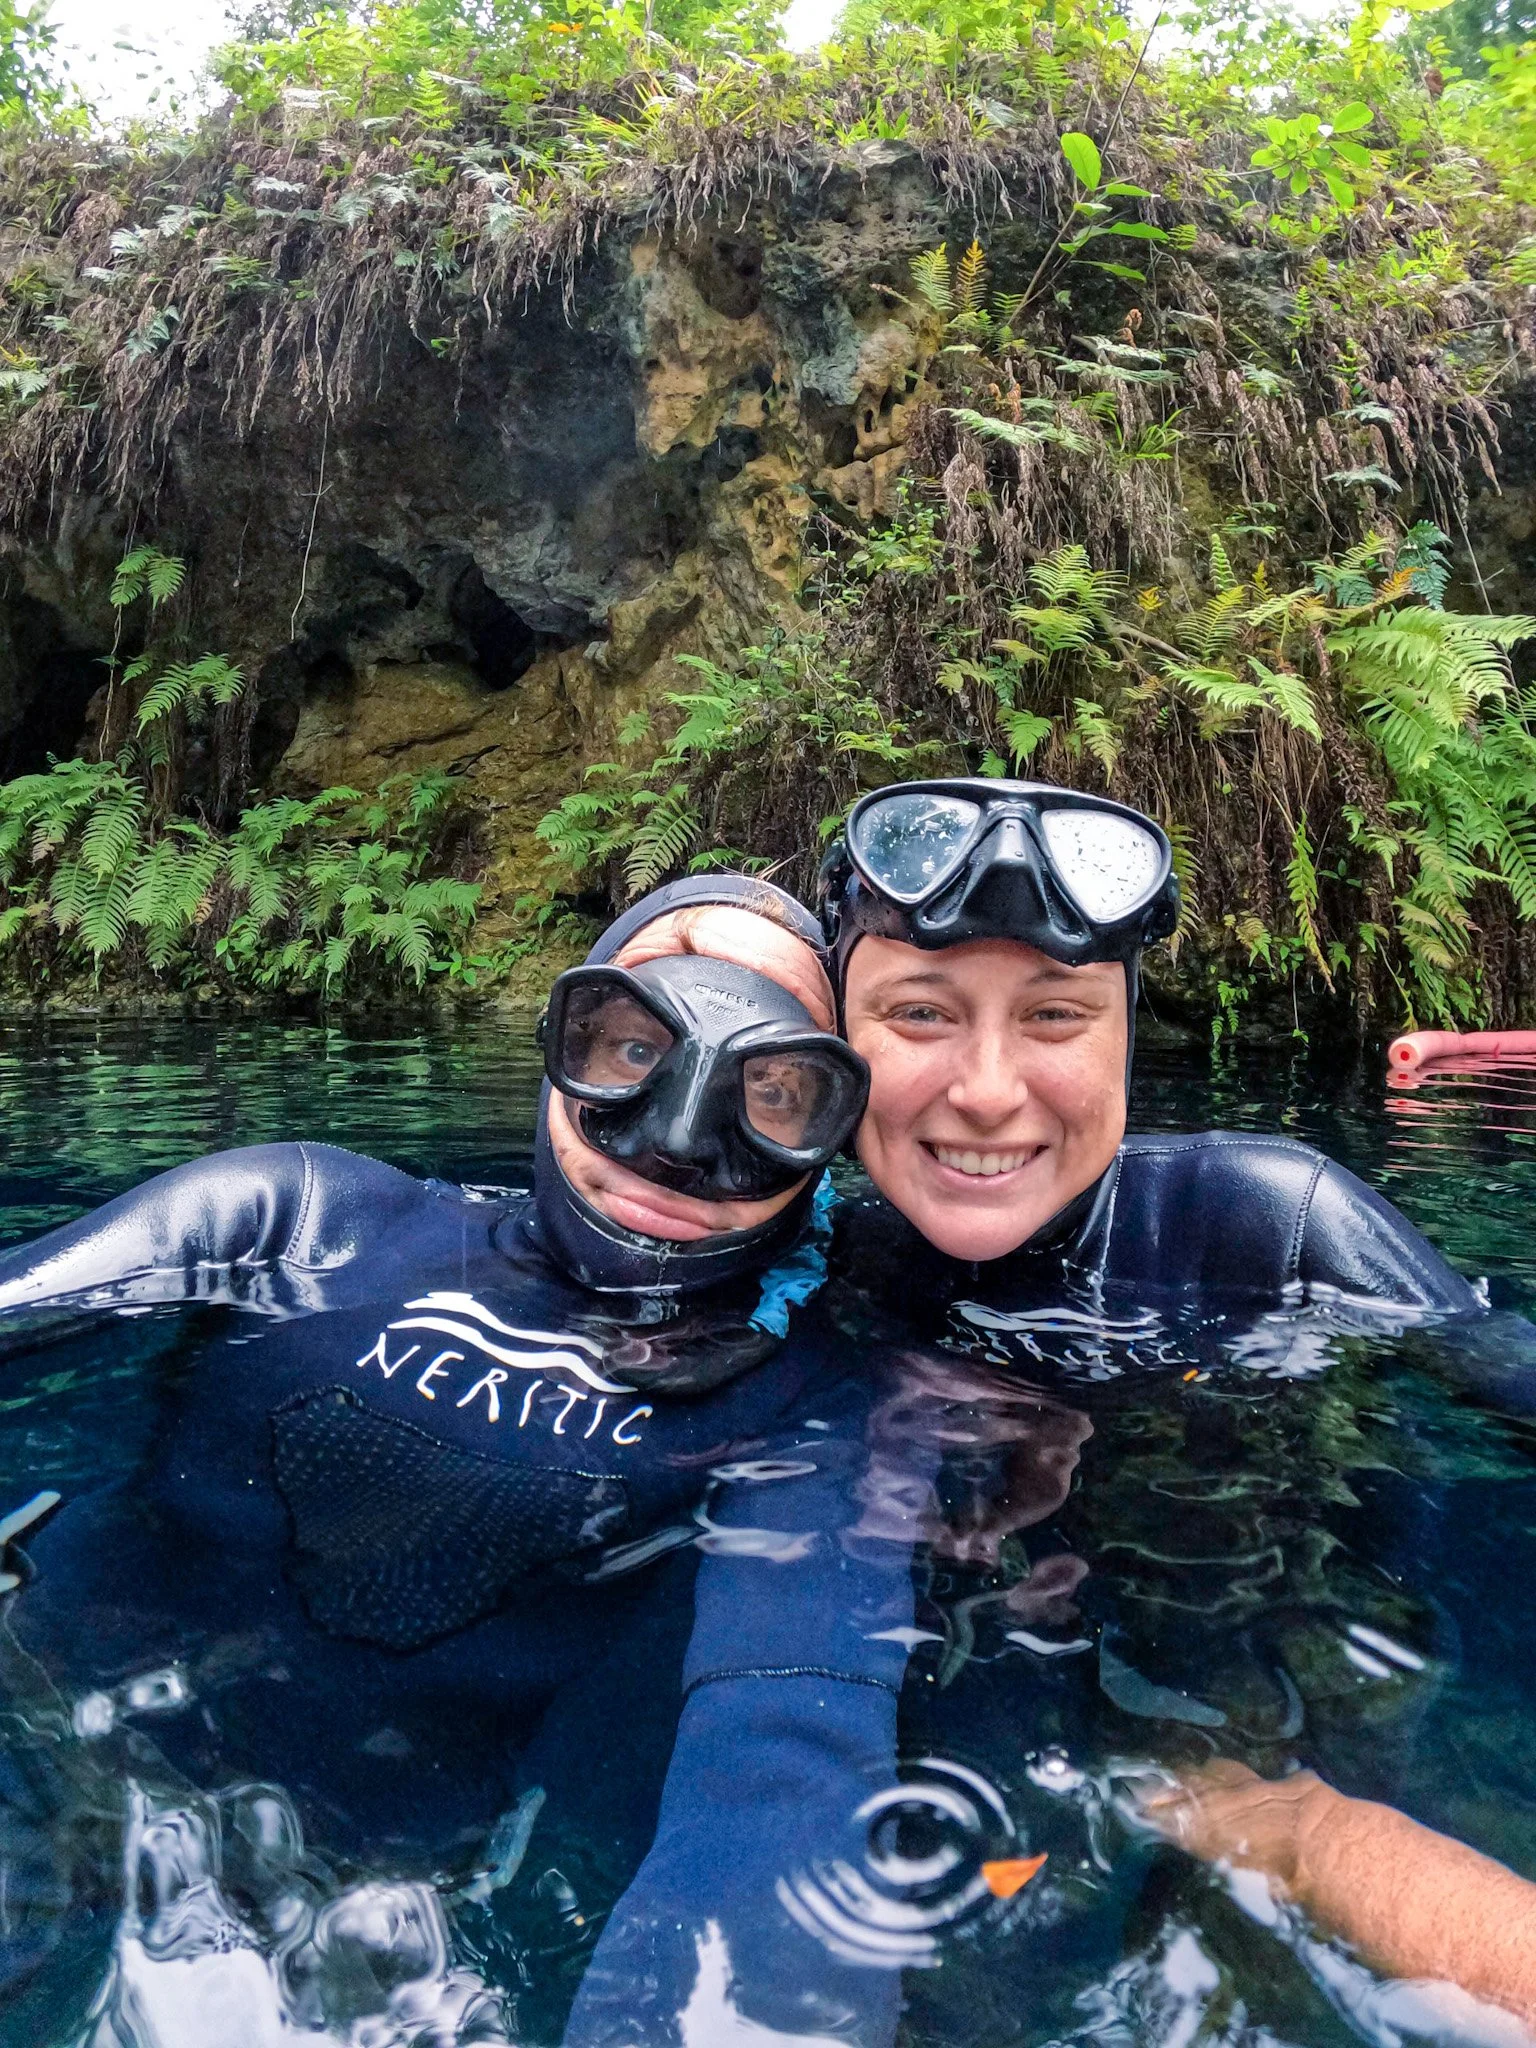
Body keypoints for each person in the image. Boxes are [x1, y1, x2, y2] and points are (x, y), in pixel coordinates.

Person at [0, 875, 877, 2027]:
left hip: (349, 1918)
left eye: (771, 1090)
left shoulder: (809, 1393)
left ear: (826, 1135)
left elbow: (780, 1727)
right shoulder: (299, 1216)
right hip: (34, 1715)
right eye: (630, 1045)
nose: (674, 1138)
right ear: (564, 1034)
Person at [818, 775, 1482, 1309]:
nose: (987, 1095)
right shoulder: (827, 1253)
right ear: (834, 1036)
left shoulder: (1284, 1229)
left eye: (1053, 1016)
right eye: (921, 1014)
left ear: (1125, 1040)